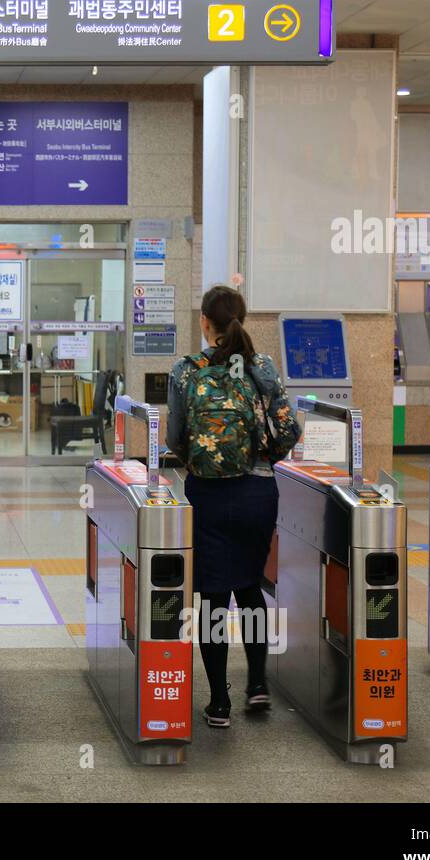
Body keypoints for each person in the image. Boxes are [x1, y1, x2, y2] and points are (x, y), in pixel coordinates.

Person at [166, 285, 301, 728]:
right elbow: (286, 431)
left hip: (208, 496)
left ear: (204, 322)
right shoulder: (262, 367)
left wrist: (199, 461)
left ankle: (219, 702)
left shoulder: (187, 370)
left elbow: (174, 438)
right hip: (258, 495)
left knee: (212, 599)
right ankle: (258, 684)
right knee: (250, 588)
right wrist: (261, 461)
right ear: (242, 320)